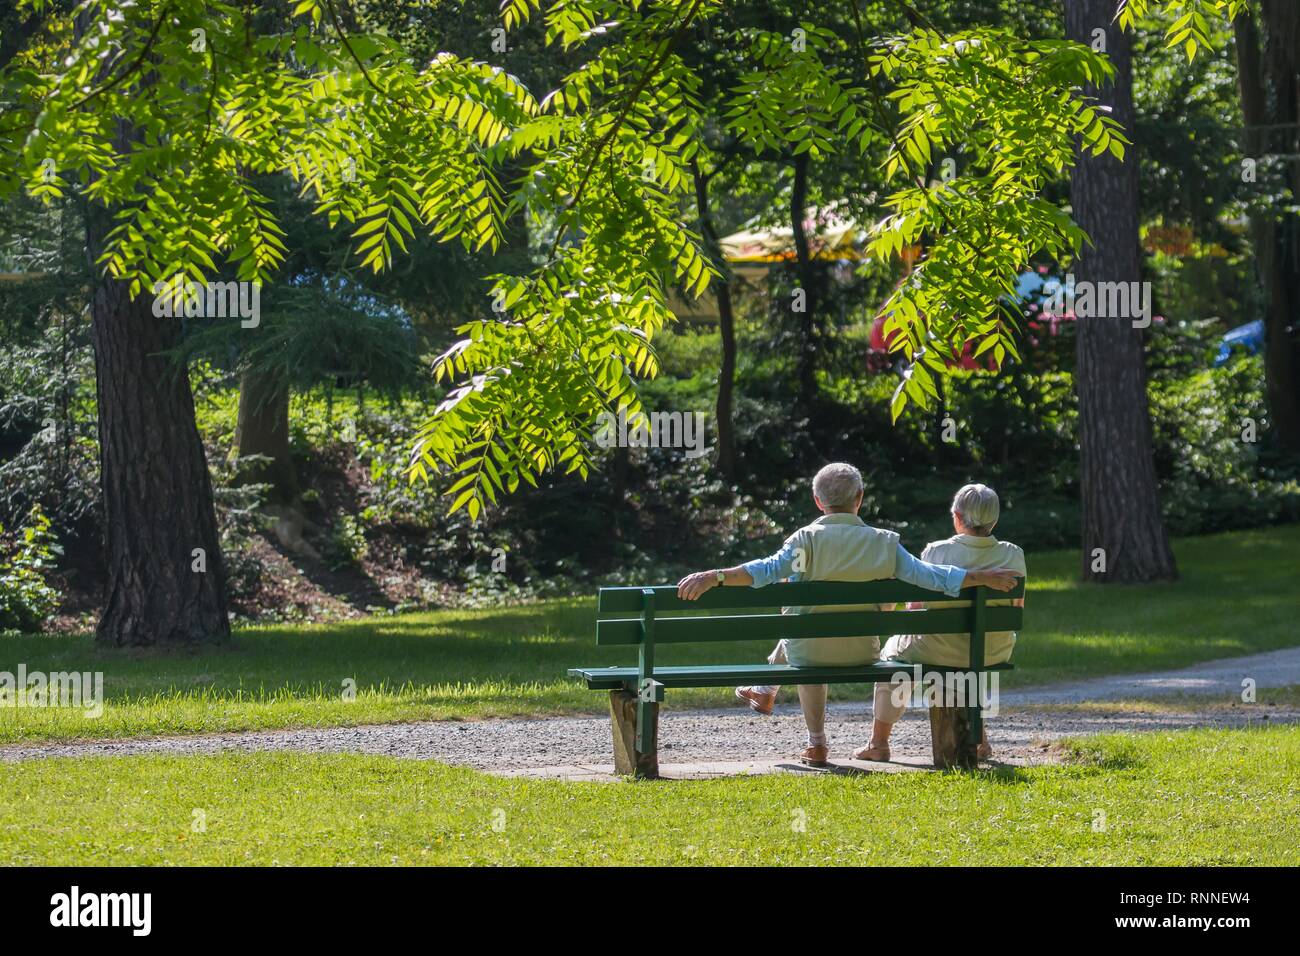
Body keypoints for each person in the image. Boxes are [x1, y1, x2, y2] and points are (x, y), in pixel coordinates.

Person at [675, 464, 1022, 766]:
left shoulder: (805, 540)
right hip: (863, 652)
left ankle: (816, 742)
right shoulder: (884, 542)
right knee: (804, 628)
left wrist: (714, 576)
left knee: (802, 629)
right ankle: (769, 690)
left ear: (817, 501)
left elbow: (762, 571)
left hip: (808, 655)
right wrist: (979, 578)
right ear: (859, 498)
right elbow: (929, 577)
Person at [855, 482, 1026, 763]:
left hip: (938, 647)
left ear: (957, 517)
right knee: (964, 656)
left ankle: (879, 742)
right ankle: (978, 739)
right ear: (994, 520)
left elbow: (916, 609)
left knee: (892, 654)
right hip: (992, 649)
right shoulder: (1013, 555)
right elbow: (1016, 608)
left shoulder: (937, 552)